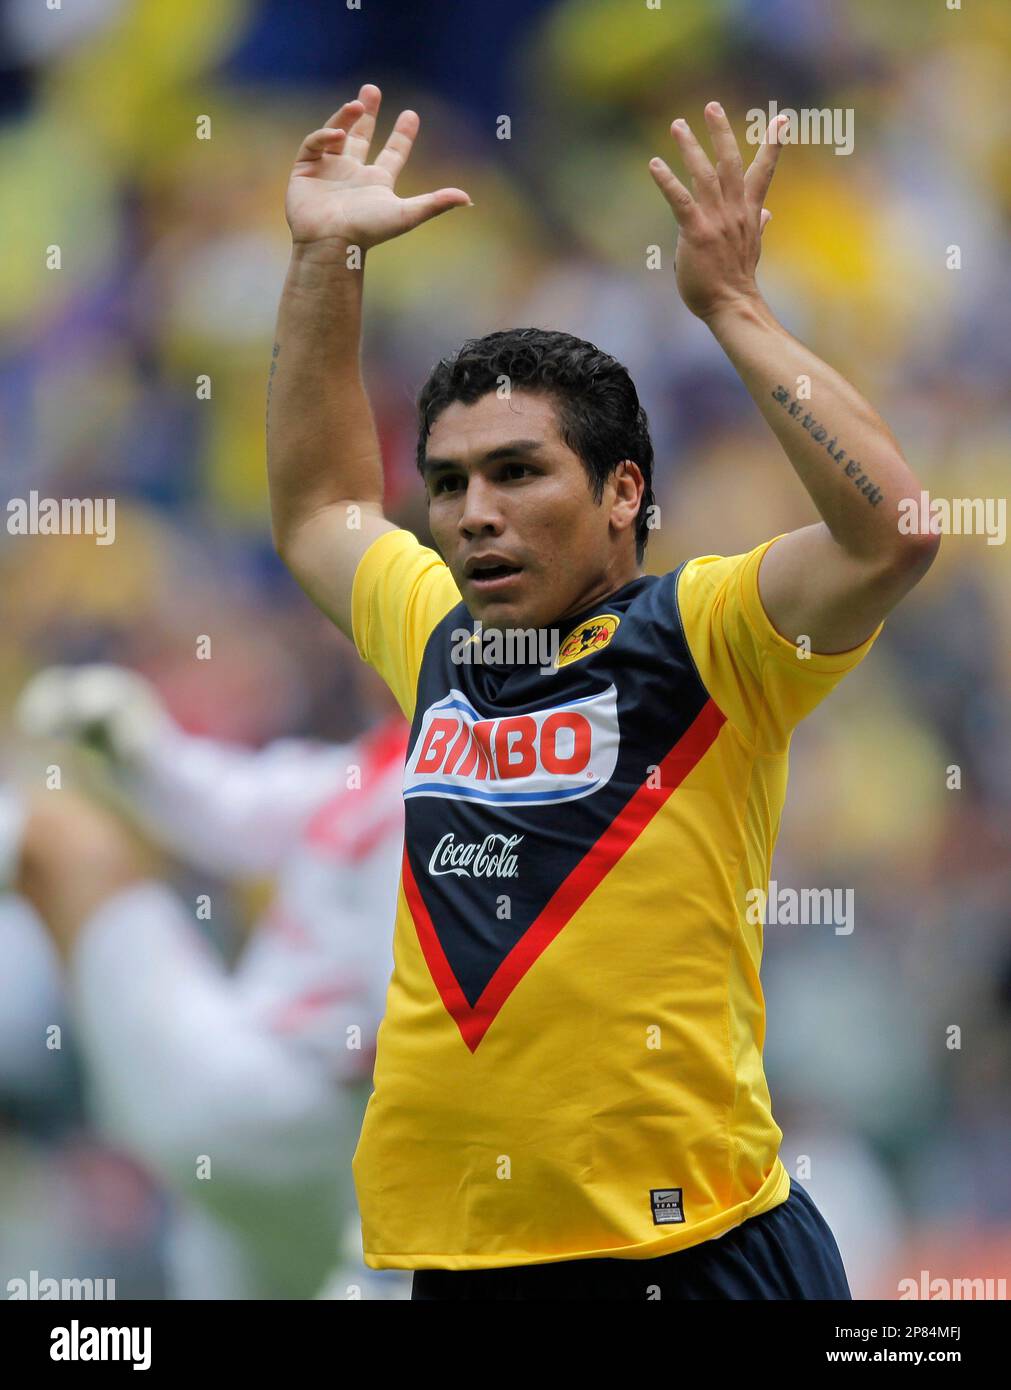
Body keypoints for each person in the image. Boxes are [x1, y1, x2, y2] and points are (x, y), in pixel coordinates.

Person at [265, 83, 940, 1300]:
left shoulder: (706, 635)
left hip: (696, 1257)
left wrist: (731, 304)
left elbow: (894, 532)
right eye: (452, 482)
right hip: (467, 1260)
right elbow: (320, 508)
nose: (475, 513)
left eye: (519, 472)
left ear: (625, 491)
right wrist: (323, 260)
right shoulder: (432, 635)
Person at [7, 659, 411, 1299]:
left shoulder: (475, 788)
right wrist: (144, 747)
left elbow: (427, 1029)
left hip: (273, 1097)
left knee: (57, 843)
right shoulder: (393, 755)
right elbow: (242, 808)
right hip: (314, 1160)